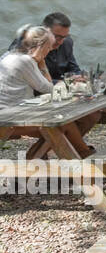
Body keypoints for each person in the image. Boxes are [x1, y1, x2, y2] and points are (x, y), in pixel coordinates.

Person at [0, 25, 95, 157]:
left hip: (12, 113)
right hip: (10, 119)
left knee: (63, 123)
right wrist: (43, 65)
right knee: (62, 126)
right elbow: (48, 88)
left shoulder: (10, 55)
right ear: (40, 45)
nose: (50, 50)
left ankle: (37, 156)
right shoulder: (25, 61)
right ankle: (84, 154)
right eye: (48, 46)